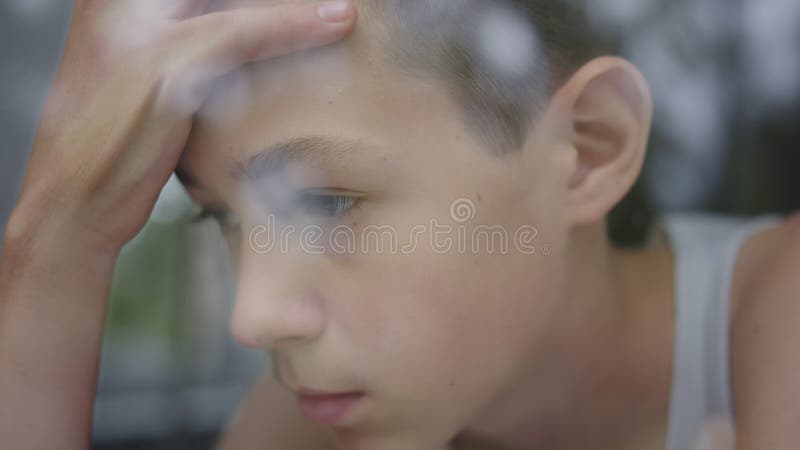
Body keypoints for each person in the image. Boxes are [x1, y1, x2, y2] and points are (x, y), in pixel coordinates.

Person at [1, 1, 798, 450]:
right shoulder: (312, 420)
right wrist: (57, 244)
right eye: (220, 217)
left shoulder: (778, 313)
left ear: (585, 150)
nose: (253, 318)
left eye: (326, 204)